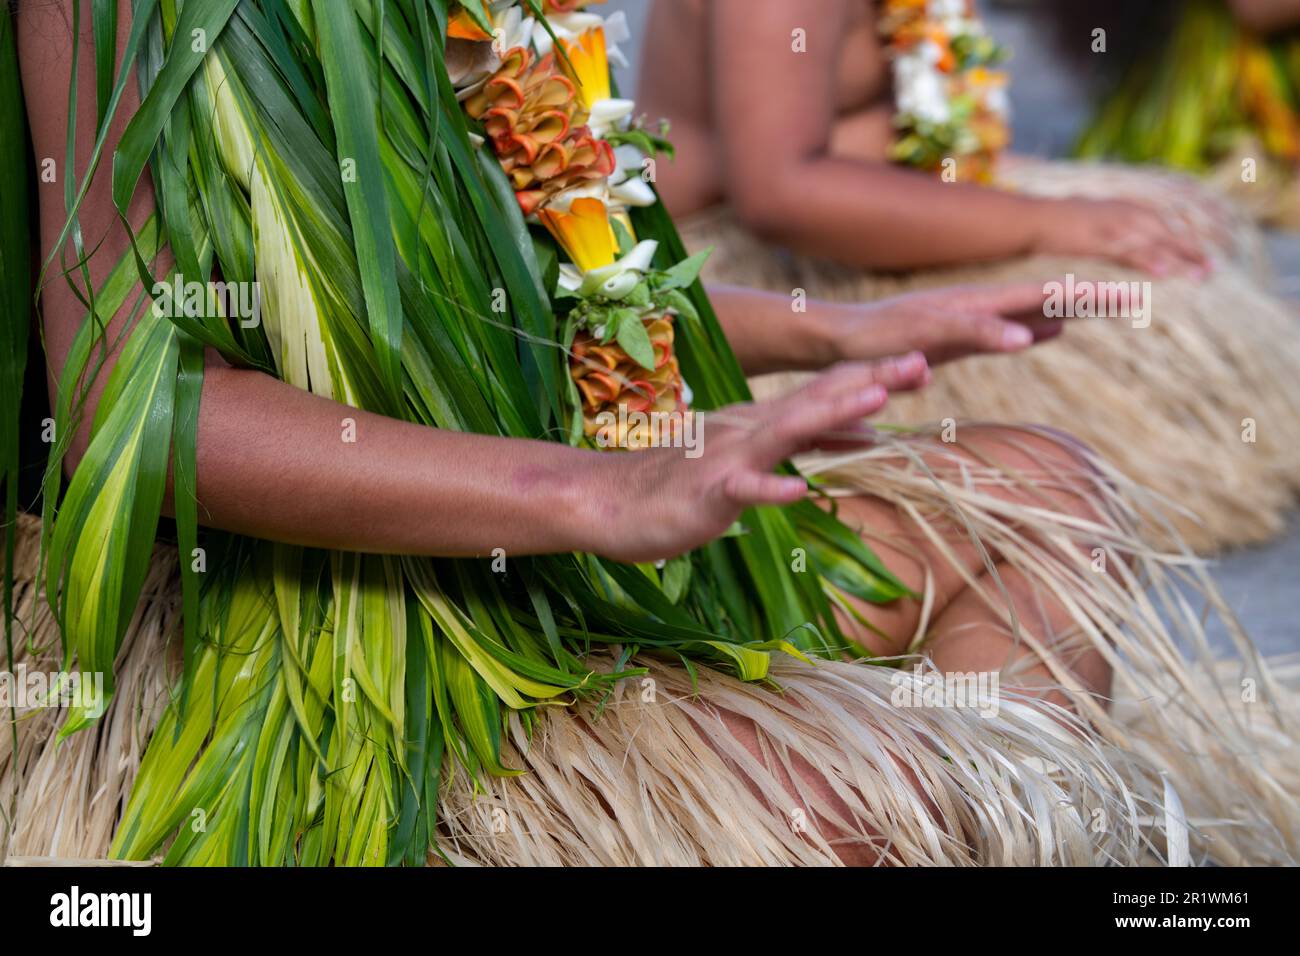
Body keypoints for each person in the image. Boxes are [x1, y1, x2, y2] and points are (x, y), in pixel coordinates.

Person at [1, 0, 1293, 867]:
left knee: (1048, 496)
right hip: (365, 637)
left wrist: (830, 332)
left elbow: (525, 279)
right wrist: (590, 498)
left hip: (582, 551)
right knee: (849, 795)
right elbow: (134, 399)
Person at [641, 0, 1300, 552]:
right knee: (1122, 299)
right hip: (752, 272)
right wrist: (1045, 223)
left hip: (883, 204)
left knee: (1173, 237)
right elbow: (778, 193)